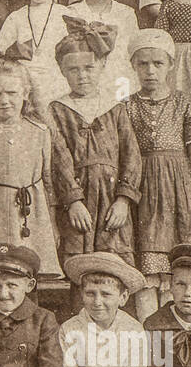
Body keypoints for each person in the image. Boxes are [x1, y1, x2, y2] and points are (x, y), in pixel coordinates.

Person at [49, 19, 141, 306]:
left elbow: (132, 155)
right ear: (63, 72)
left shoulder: (115, 107)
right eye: (73, 70)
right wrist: (73, 200)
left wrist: (124, 200)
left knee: (114, 260)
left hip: (112, 201)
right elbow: (59, 158)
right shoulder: (58, 109)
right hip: (79, 205)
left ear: (101, 66)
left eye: (88, 68)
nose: (82, 76)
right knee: (79, 261)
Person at [125, 30, 191, 320]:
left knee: (176, 266)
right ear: (133, 67)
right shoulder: (127, 106)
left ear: (170, 65)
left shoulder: (184, 103)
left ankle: (174, 329)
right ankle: (149, 329)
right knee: (146, 267)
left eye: (158, 64)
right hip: (143, 189)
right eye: (143, 64)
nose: (150, 71)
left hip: (178, 190)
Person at [0, 59, 61, 279]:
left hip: (30, 212)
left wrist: (53, 225)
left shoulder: (40, 131)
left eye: (11, 92)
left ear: (25, 93)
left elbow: (47, 183)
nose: (5, 100)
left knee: (28, 270)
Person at [0, 0, 76, 110]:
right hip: (25, 93)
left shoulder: (67, 15)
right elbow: (1, 61)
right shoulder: (15, 18)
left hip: (60, 89)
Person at [65, 0, 139, 94]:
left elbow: (132, 56)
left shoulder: (126, 14)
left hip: (119, 84)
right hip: (85, 85)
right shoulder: (73, 13)